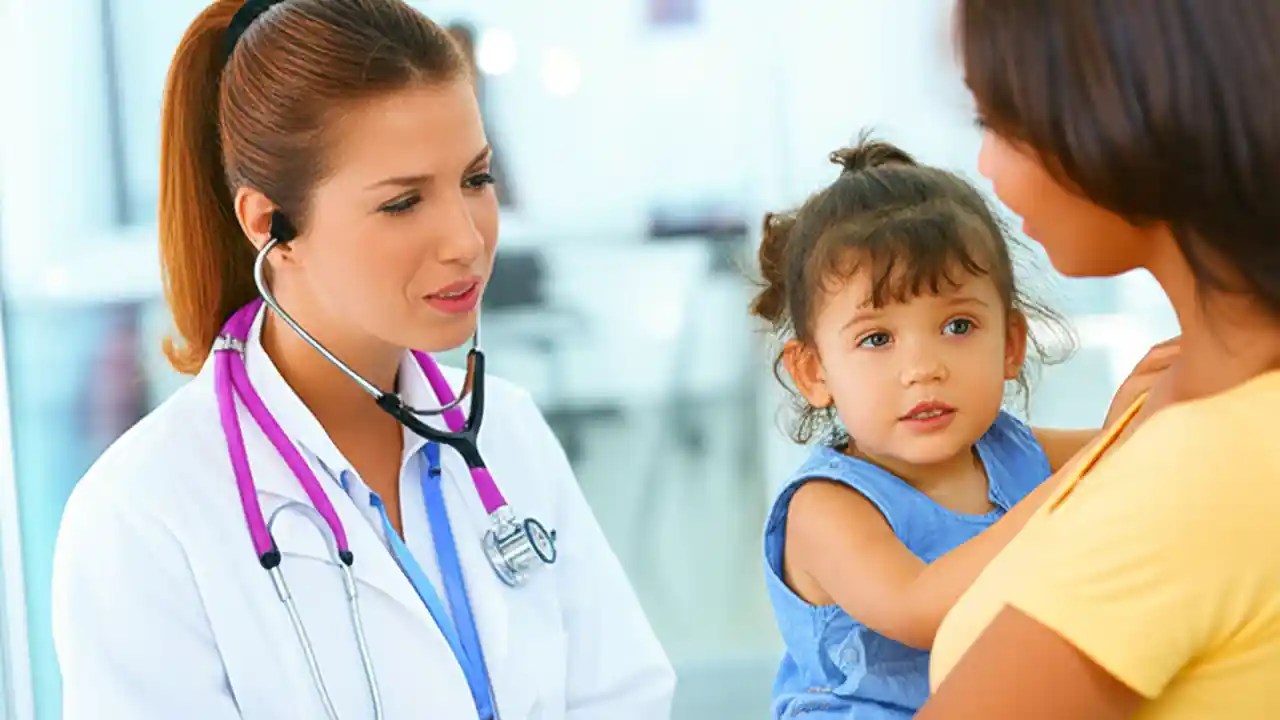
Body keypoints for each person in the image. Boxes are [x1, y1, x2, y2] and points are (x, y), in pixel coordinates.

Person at [49, 1, 674, 718]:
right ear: (270, 225)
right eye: (404, 202)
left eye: (475, 179)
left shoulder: (509, 432)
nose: (466, 241)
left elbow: (623, 697)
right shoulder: (142, 515)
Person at [921, 1, 1280, 718]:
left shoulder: (1212, 460)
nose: (986, 165)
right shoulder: (1179, 393)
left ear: (1119, 110)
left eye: (997, 122)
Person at [750, 137, 1165, 719]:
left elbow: (1123, 456)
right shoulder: (826, 507)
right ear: (814, 372)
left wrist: (1151, 408)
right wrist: (1078, 485)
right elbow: (921, 611)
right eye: (877, 339)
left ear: (1011, 344)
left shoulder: (1008, 450)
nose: (924, 369)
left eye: (959, 325)